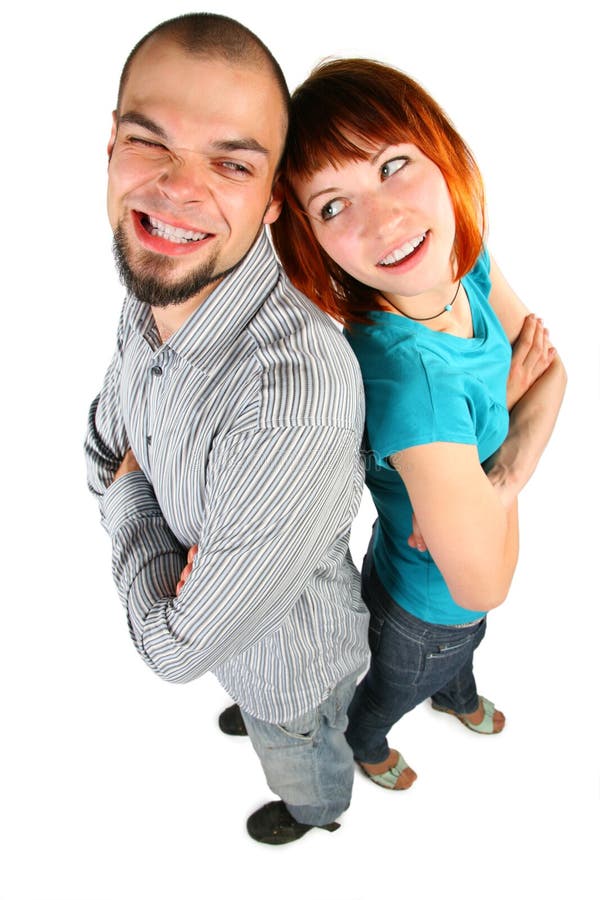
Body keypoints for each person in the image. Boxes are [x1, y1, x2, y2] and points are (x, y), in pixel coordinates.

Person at [85, 15, 369, 844]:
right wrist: (183, 569)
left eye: (231, 164)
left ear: (272, 193)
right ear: (111, 145)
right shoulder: (157, 285)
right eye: (152, 144)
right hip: (237, 643)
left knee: (297, 742)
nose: (178, 189)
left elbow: (174, 652)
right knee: (234, 666)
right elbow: (101, 440)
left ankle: (324, 809)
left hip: (296, 666)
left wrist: (132, 499)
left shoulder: (294, 394)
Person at [271, 58, 566, 790]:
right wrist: (502, 421)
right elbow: (484, 581)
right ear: (310, 239)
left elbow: (554, 368)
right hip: (429, 602)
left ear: (441, 149)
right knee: (401, 676)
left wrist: (497, 475)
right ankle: (367, 744)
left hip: (403, 566)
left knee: (458, 659)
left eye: (393, 165)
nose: (385, 220)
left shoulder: (460, 260)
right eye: (333, 206)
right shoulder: (415, 384)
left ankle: (455, 695)